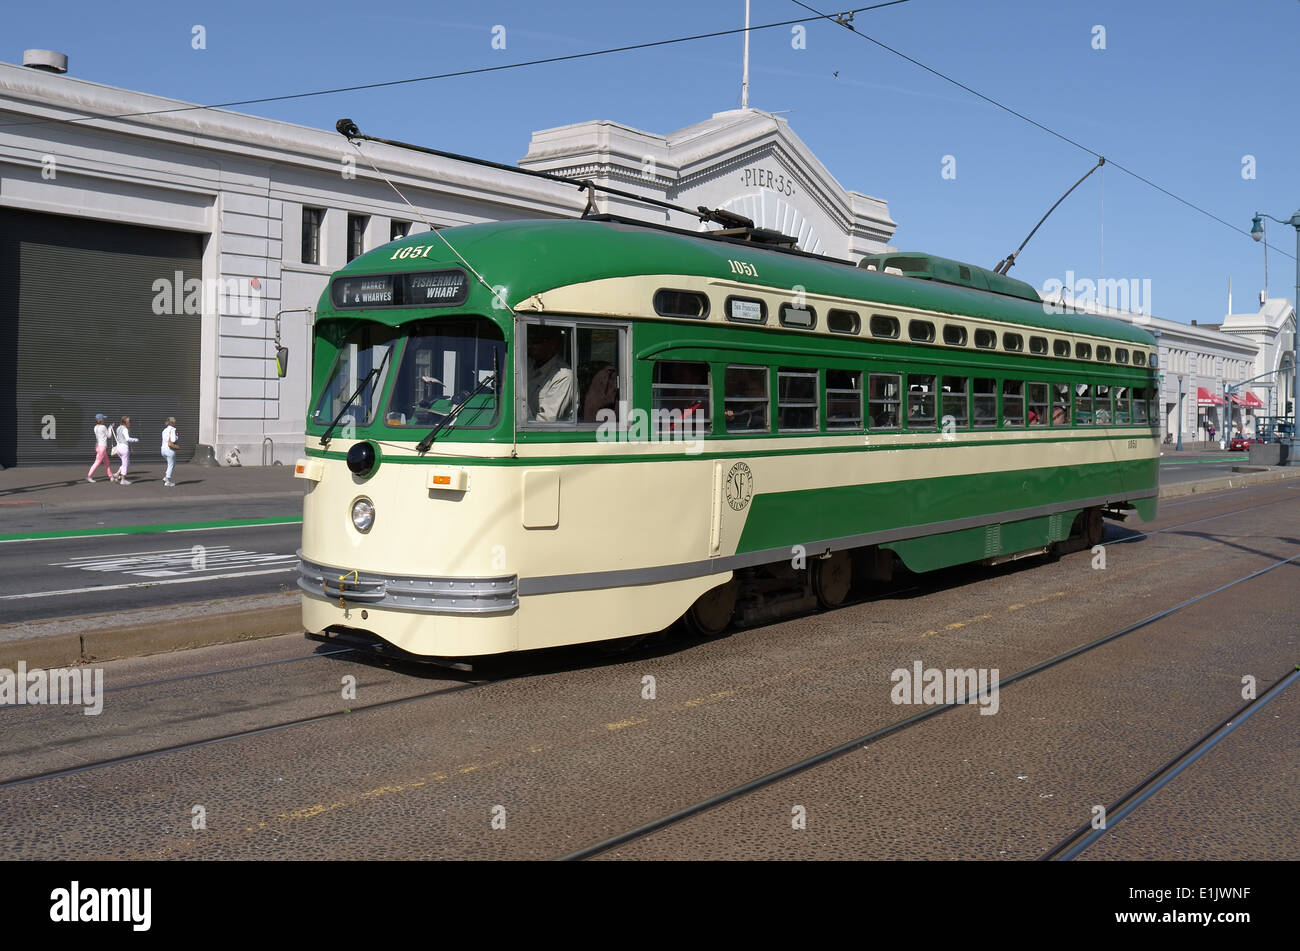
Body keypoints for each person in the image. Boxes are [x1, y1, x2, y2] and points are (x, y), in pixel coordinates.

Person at [526, 326, 574, 422]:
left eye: (535, 342)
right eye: (529, 341)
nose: (530, 346)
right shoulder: (530, 365)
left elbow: (547, 420)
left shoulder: (563, 375)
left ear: (552, 345)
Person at [87, 413, 117, 483]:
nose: (104, 419)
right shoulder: (103, 427)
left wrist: (109, 428)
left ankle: (110, 476)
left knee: (107, 462)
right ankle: (89, 476)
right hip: (102, 448)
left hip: (98, 447)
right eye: (103, 418)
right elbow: (109, 436)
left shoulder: (95, 427)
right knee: (97, 463)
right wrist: (110, 428)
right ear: (100, 420)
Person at [112, 415, 139, 485]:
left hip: (118, 447)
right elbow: (127, 439)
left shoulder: (118, 428)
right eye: (129, 421)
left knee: (127, 463)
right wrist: (135, 440)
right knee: (125, 464)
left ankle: (117, 474)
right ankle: (123, 480)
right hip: (124, 448)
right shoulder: (125, 429)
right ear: (125, 422)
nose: (130, 423)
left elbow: (118, 438)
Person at [161, 417, 179, 487]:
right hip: (170, 449)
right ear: (173, 423)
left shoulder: (164, 430)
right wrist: (177, 437)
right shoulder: (173, 429)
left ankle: (166, 477)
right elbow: (173, 440)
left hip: (163, 449)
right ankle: (167, 481)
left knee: (172, 464)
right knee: (171, 465)